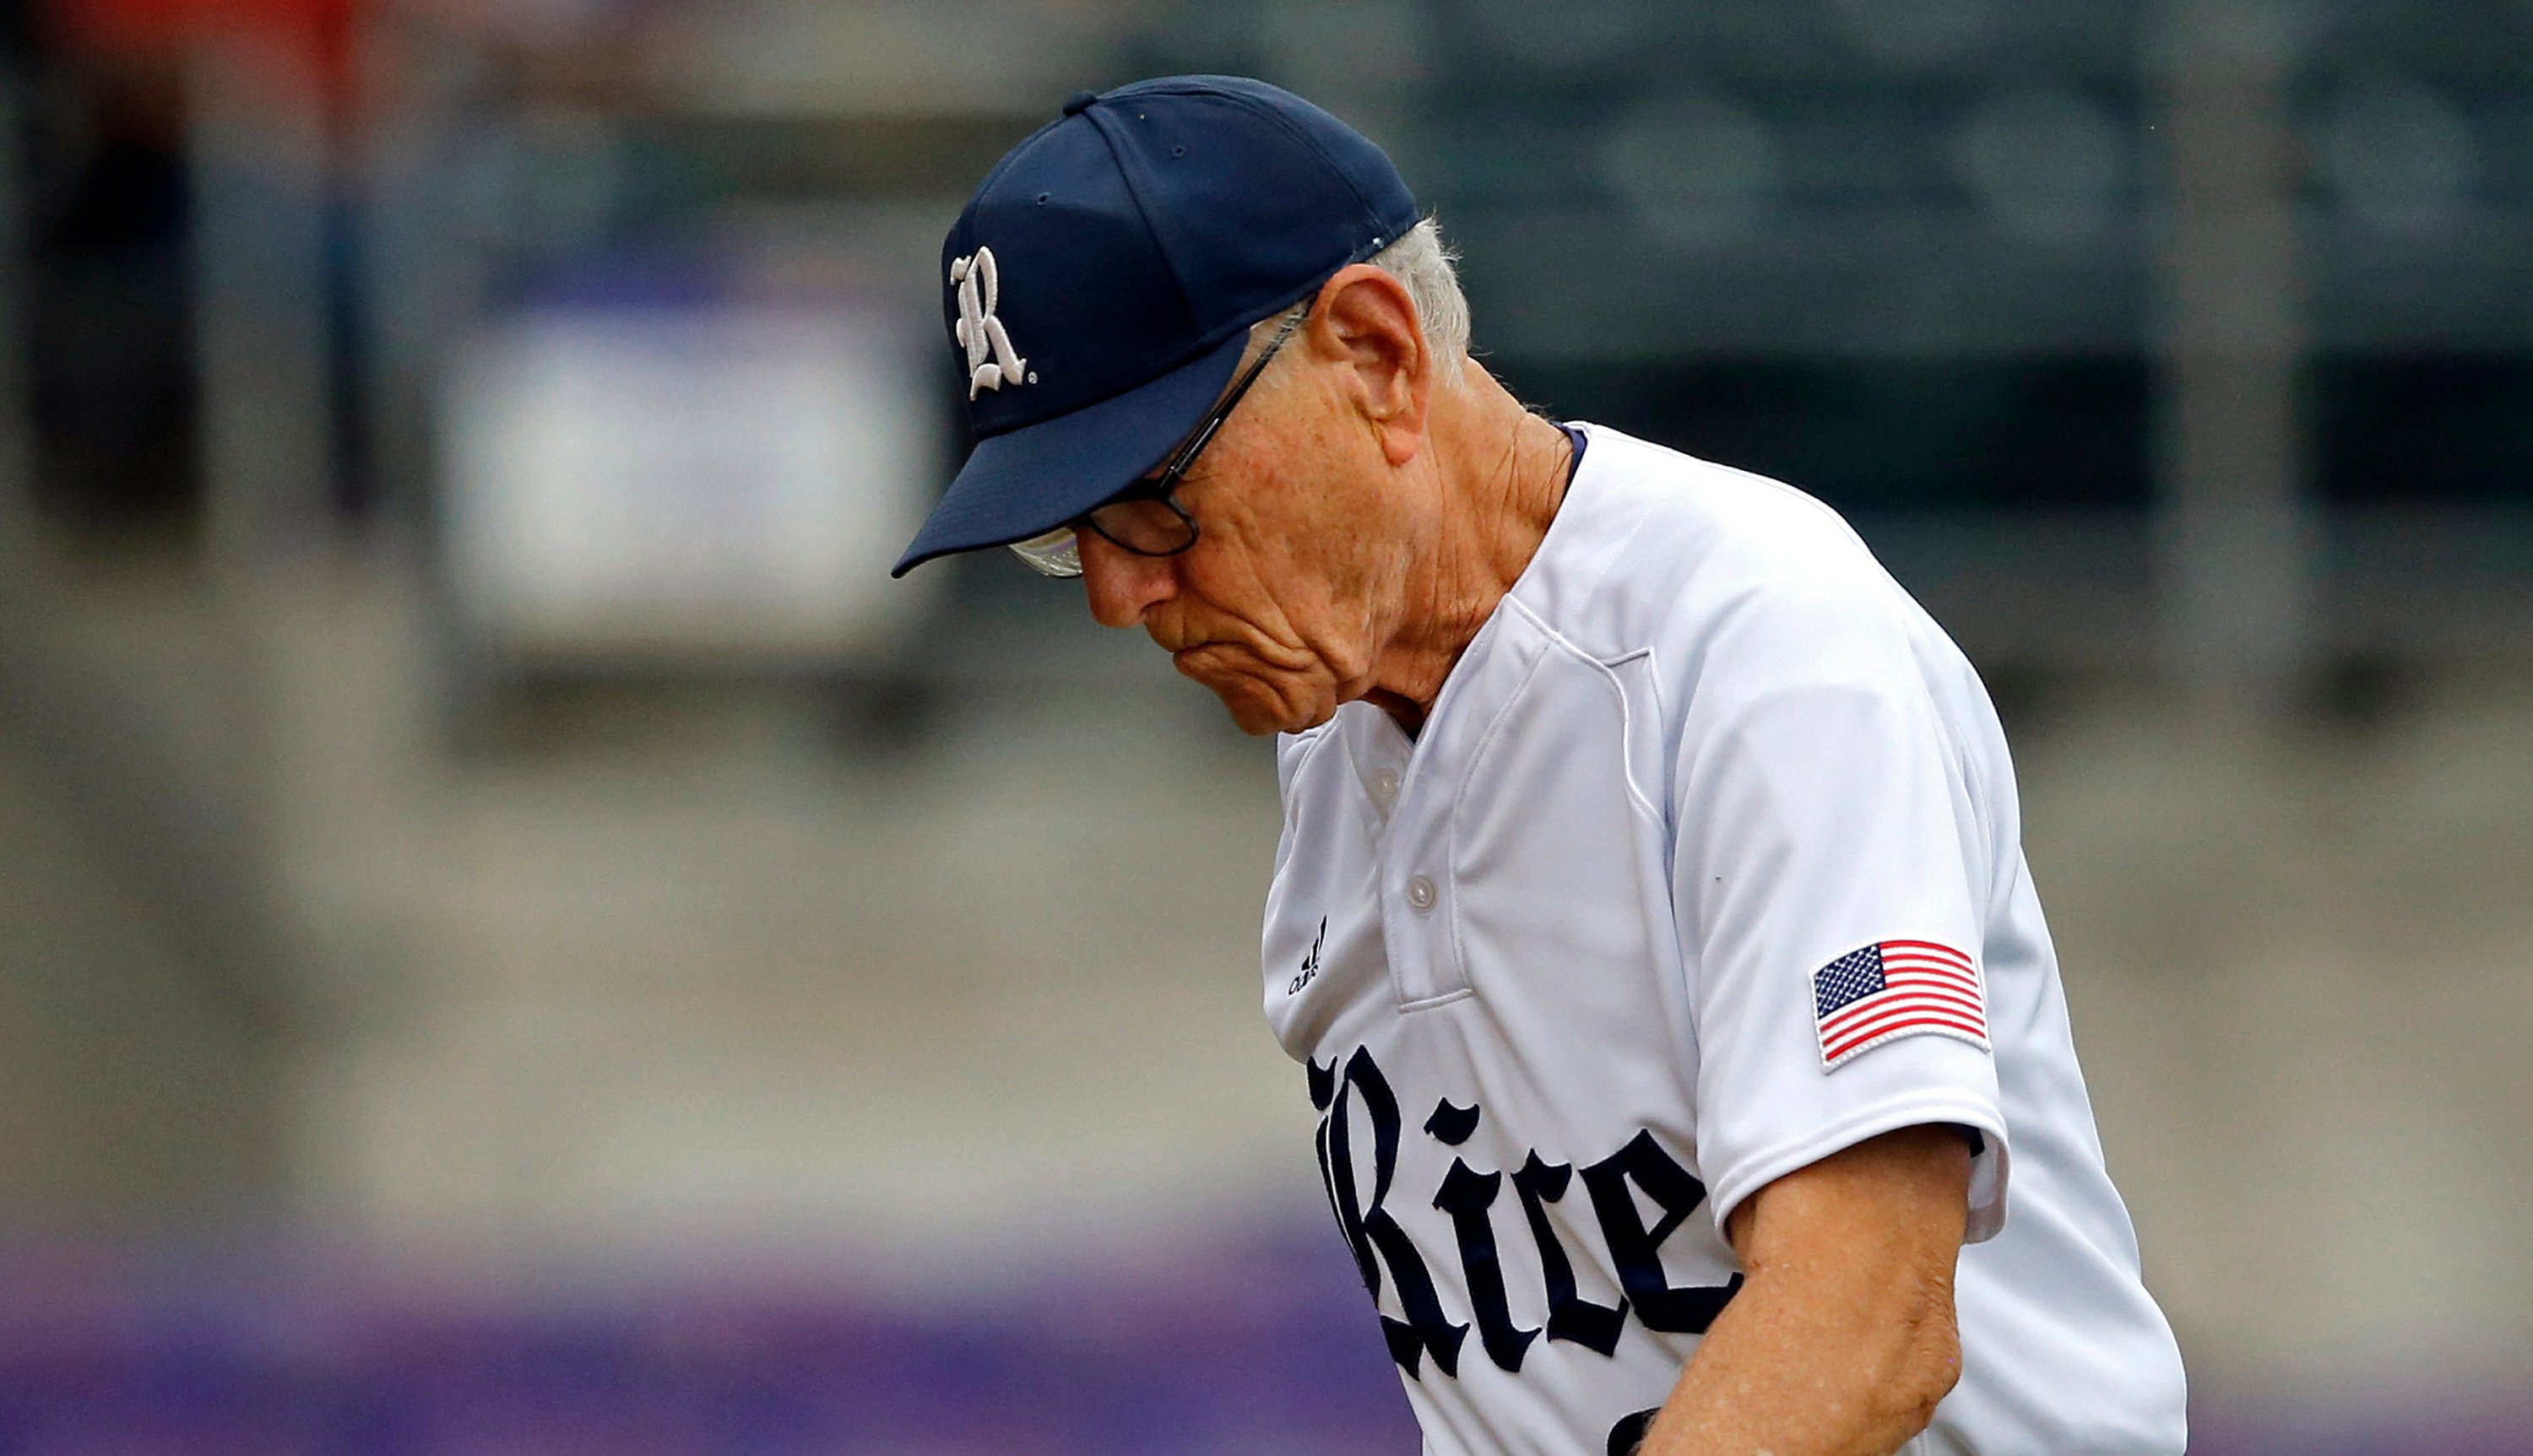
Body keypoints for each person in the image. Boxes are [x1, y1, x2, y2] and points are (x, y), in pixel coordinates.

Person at [892, 75, 2186, 1456]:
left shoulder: (1769, 657)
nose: (1113, 596)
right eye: (1064, 536)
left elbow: (1871, 1318)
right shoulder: (1342, 722)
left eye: (1150, 499)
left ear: (1379, 357)